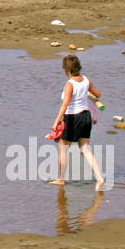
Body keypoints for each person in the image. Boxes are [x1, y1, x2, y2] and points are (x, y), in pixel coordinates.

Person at [49, 54, 107, 190]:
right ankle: (100, 178)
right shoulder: (86, 80)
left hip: (72, 118)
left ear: (66, 69)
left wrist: (56, 122)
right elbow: (98, 95)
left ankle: (60, 179)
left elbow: (65, 105)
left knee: (63, 148)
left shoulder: (69, 84)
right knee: (85, 148)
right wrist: (88, 93)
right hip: (86, 117)